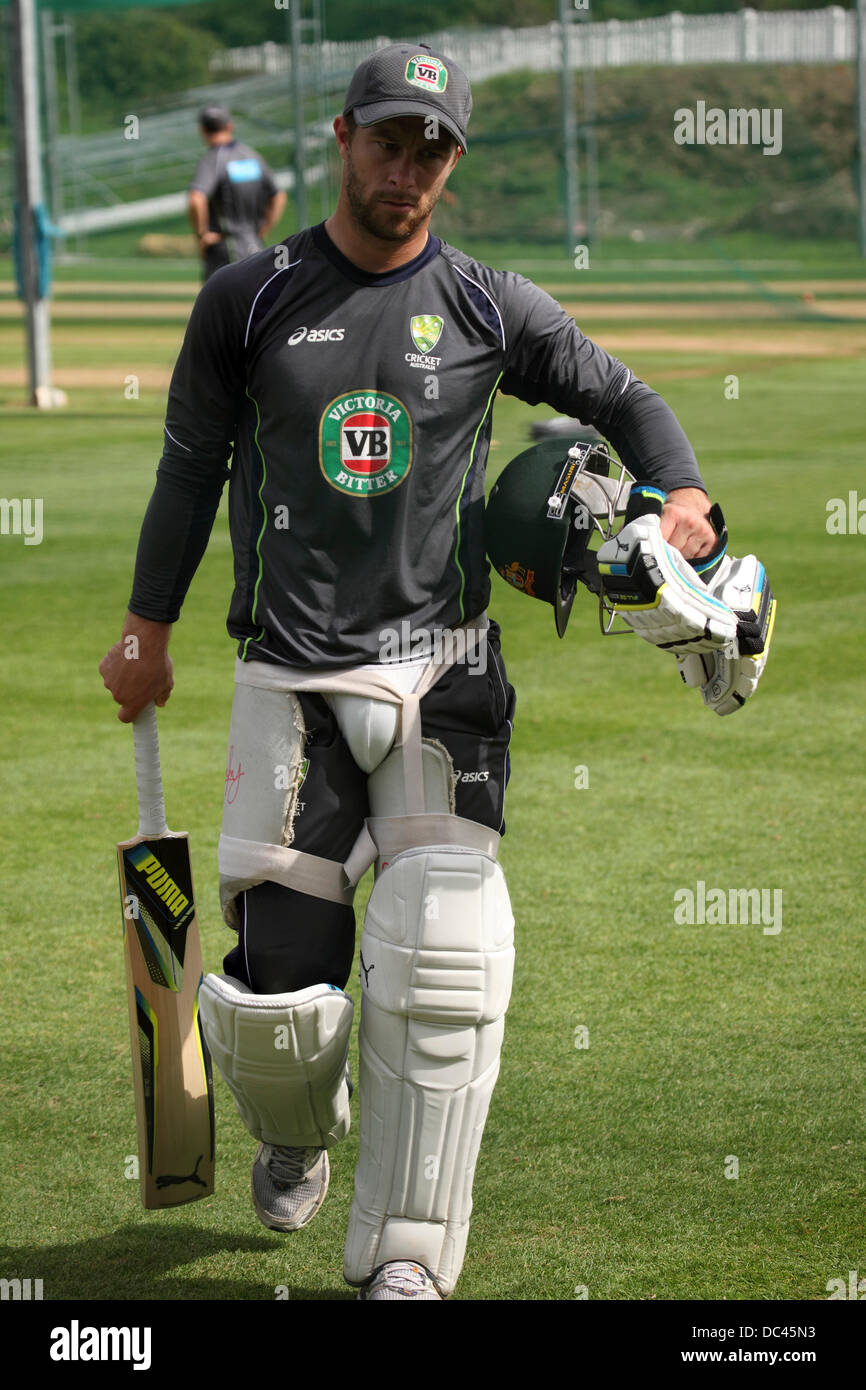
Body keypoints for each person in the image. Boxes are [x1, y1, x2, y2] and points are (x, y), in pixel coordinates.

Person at [99, 41, 722, 1301]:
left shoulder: (491, 304)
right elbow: (185, 471)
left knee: (445, 973)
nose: (409, 167)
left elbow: (623, 397)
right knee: (282, 1002)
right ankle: (290, 1128)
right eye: (389, 140)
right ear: (341, 136)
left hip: (444, 676)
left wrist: (686, 494)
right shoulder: (248, 297)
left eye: (433, 147)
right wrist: (145, 628)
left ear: (451, 159)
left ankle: (406, 1260)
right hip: (292, 674)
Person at [188, 105, 286, 280]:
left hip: (224, 248)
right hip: (254, 246)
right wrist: (263, 228)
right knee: (251, 303)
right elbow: (278, 196)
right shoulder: (252, 156)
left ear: (202, 130)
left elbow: (196, 199)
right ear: (229, 126)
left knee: (219, 306)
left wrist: (201, 235)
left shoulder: (213, 159)